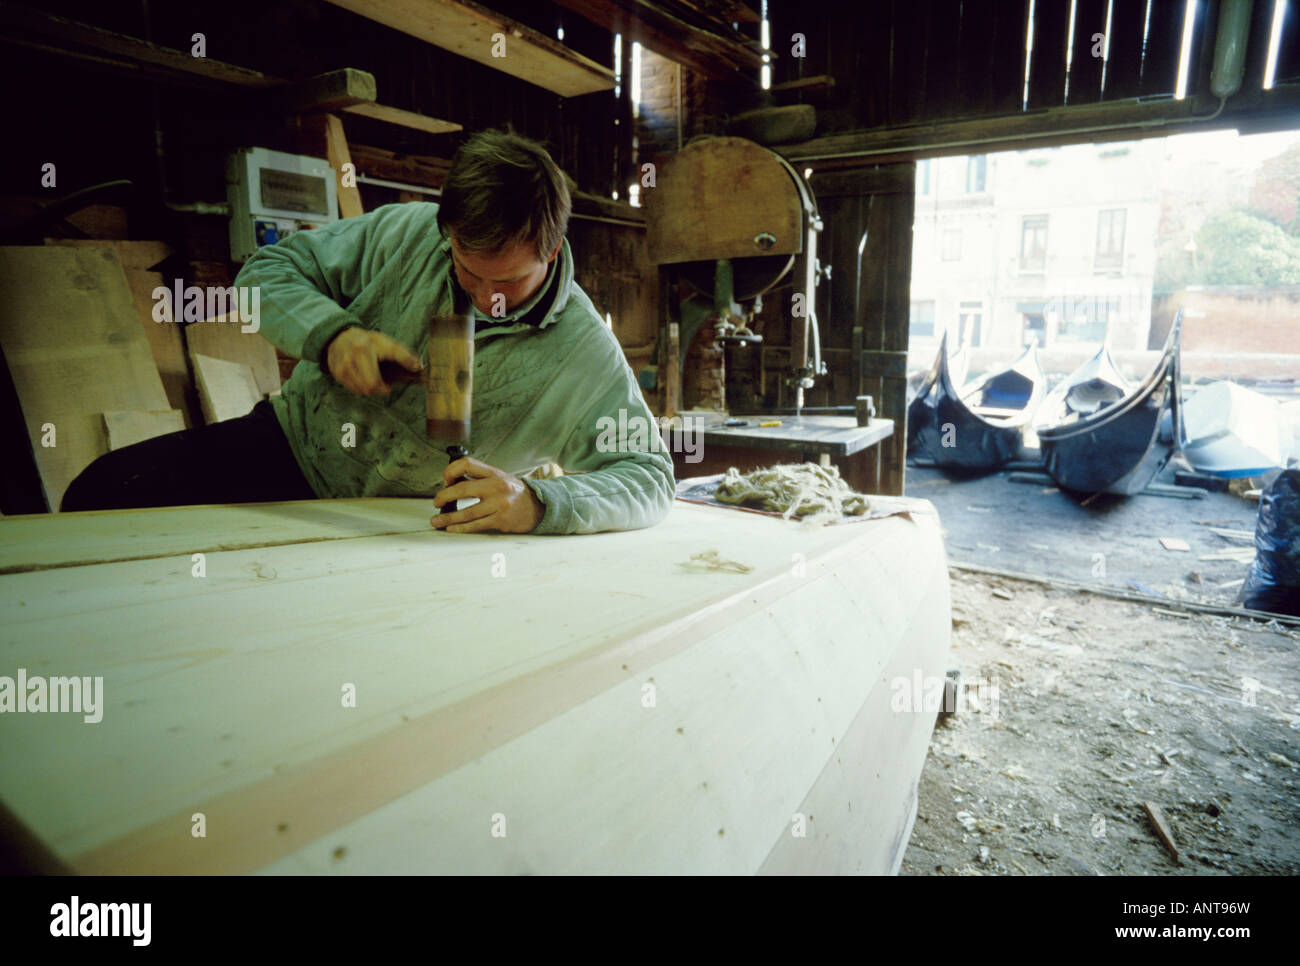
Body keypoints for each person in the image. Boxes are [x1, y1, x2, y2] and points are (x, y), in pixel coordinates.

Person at [61, 130, 674, 534]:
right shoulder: (407, 234)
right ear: (447, 231)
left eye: (508, 281)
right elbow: (263, 272)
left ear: (553, 249)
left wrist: (539, 503)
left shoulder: (583, 349)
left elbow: (649, 475)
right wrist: (331, 335)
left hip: (418, 519)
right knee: (99, 494)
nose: (483, 295)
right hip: (291, 447)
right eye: (465, 268)